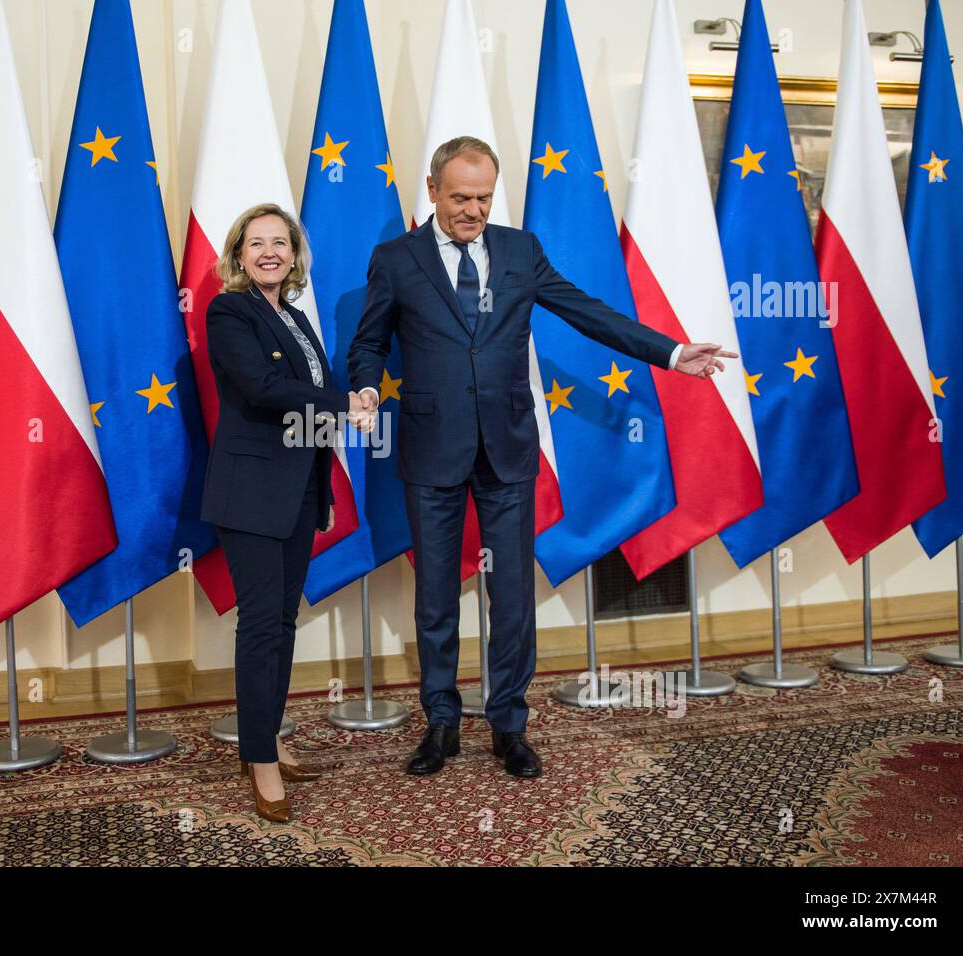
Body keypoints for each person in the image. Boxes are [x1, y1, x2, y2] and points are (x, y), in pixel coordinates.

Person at [347, 137, 734, 778]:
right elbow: (369, 342)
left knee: (513, 595)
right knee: (436, 598)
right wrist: (363, 384)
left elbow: (586, 312)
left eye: (484, 197)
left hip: (507, 448)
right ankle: (440, 724)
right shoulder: (396, 258)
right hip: (432, 449)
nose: (473, 210)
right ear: (434, 189)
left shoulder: (519, 251)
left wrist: (669, 352)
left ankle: (508, 725)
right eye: (461, 197)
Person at [202, 203, 373, 822]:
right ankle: (261, 762)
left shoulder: (297, 318)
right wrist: (344, 401)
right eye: (258, 243)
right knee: (261, 626)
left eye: (281, 242)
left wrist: (323, 492)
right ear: (239, 254)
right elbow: (263, 390)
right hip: (249, 493)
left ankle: (269, 738)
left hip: (299, 489)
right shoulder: (229, 312)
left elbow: (306, 415)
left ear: (296, 254)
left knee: (282, 621)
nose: (270, 252)